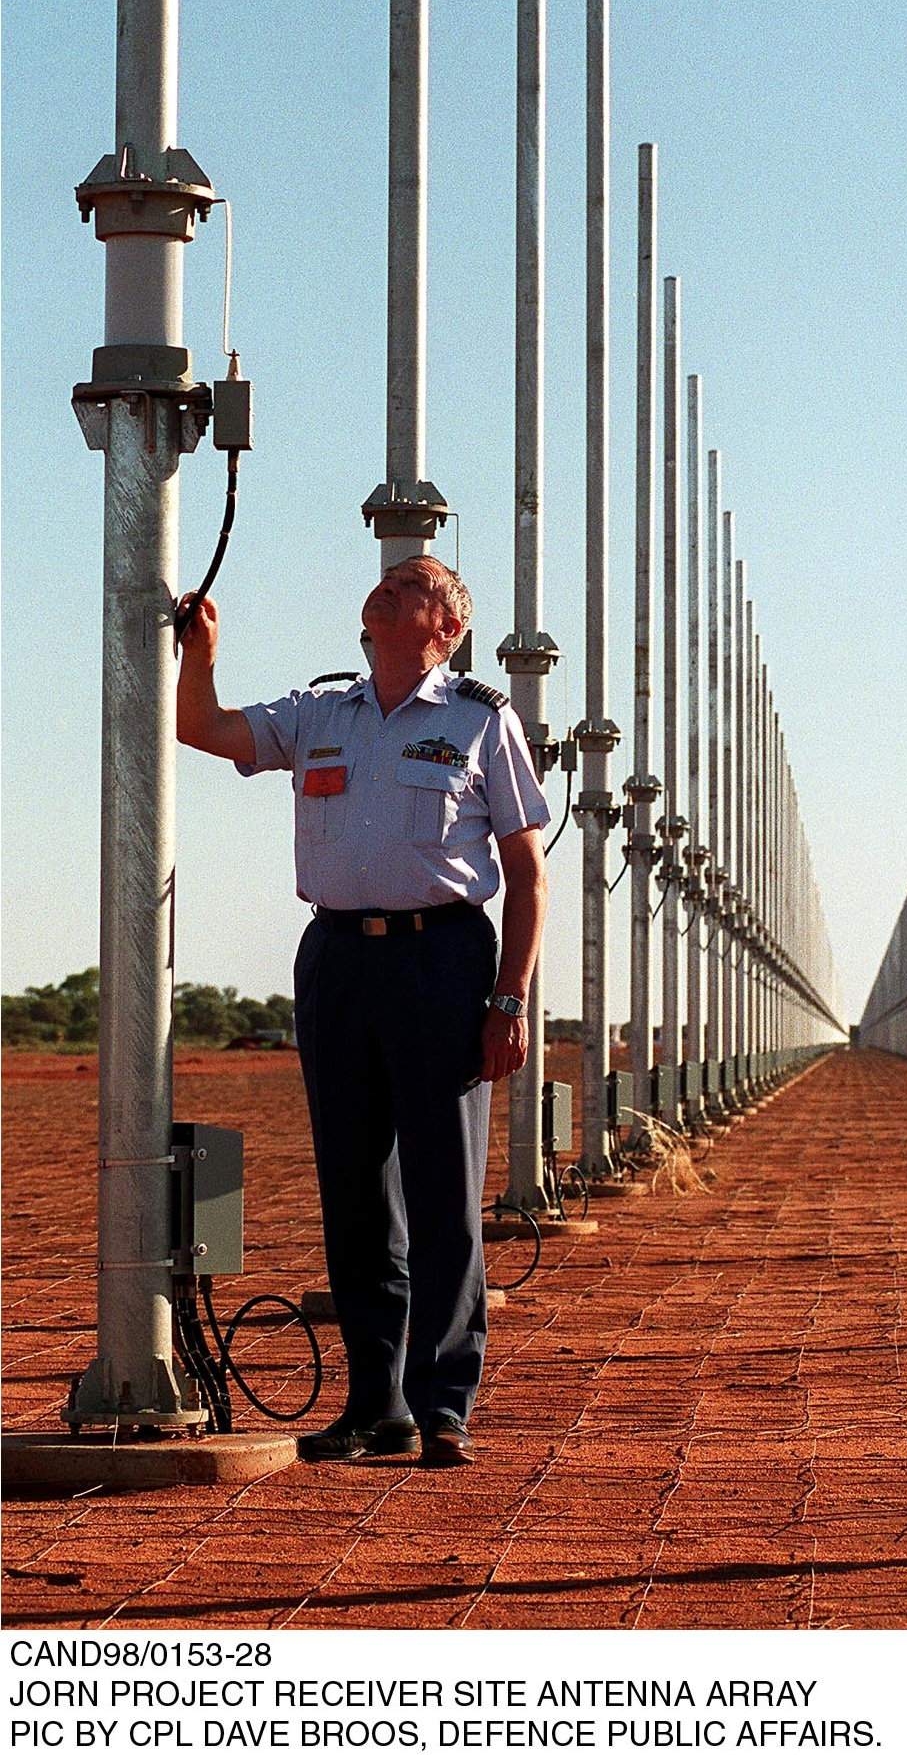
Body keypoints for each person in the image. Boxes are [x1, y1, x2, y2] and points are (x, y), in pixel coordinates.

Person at [176, 556, 549, 1467]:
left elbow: (529, 872)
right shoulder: (320, 712)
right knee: (353, 1188)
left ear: (446, 628)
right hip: (339, 959)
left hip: (444, 958)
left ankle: (445, 1403)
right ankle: (376, 1402)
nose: (387, 586)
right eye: (384, 580)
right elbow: (203, 729)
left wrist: (510, 997)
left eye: (414, 584)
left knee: (444, 1195)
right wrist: (201, 654)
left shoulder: (480, 720)